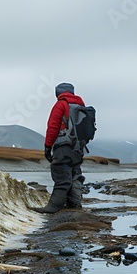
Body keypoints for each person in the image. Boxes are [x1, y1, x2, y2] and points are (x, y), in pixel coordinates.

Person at [33, 82, 85, 213]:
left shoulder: (61, 104)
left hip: (63, 146)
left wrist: (47, 147)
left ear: (58, 92)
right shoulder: (81, 106)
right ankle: (74, 204)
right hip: (78, 148)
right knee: (75, 174)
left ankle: (54, 206)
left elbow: (53, 127)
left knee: (61, 174)